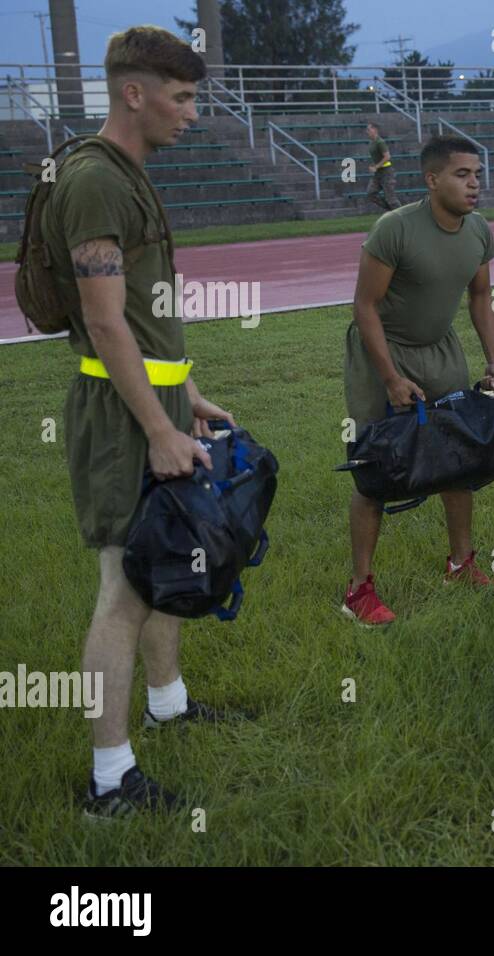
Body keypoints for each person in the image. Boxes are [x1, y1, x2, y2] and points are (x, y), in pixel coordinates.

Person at [46, 26, 245, 817]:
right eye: (183, 96)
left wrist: (183, 394)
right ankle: (109, 781)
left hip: (155, 399)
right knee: (124, 588)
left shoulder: (124, 172)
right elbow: (105, 324)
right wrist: (158, 431)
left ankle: (169, 706)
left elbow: (145, 313)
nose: (191, 113)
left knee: (164, 564)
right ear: (135, 92)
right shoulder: (96, 181)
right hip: (121, 412)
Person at [343, 136, 494, 625]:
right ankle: (359, 591)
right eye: (461, 174)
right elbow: (364, 307)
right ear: (432, 180)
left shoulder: (478, 231)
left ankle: (460, 564)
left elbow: (480, 297)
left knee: (458, 460)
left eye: (477, 173)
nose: (473, 183)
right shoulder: (394, 229)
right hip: (383, 353)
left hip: (441, 350)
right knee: (377, 468)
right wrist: (391, 378)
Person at [365, 122, 397, 211]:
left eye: (368, 129)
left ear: (374, 130)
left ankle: (401, 217)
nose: (367, 131)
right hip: (378, 173)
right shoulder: (372, 143)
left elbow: (387, 156)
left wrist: (376, 167)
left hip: (386, 172)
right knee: (371, 194)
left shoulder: (380, 142)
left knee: (391, 199)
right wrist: (374, 166)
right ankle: (392, 211)